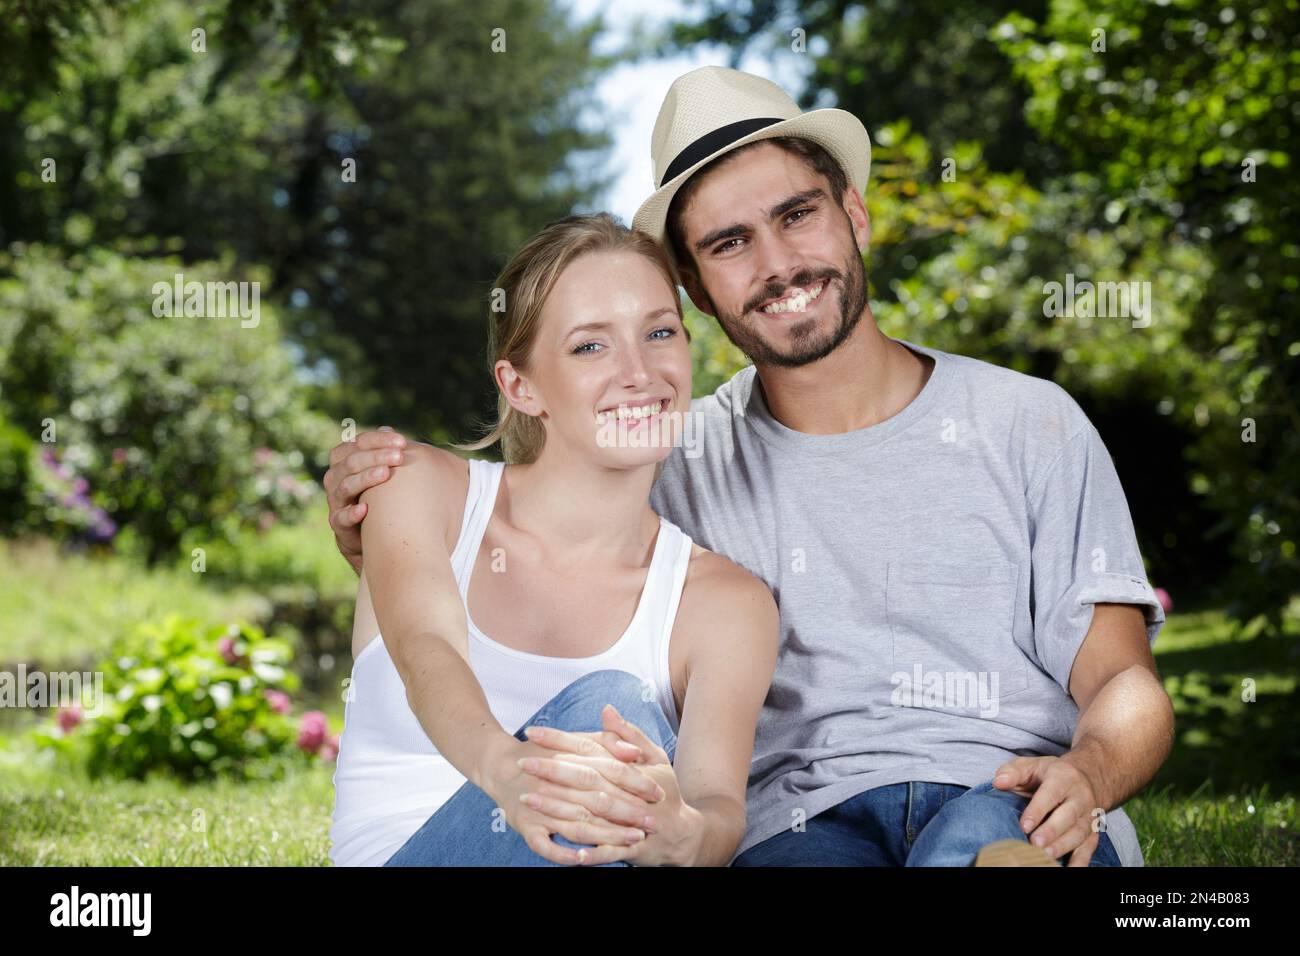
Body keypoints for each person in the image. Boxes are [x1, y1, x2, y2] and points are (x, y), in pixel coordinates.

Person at [325, 67, 1173, 867]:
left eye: (796, 215)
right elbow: (547, 486)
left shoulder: (1029, 424)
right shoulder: (670, 449)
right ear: (697, 287)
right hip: (803, 820)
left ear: (855, 213)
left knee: (984, 848)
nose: (776, 264)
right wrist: (377, 517)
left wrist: (1091, 773)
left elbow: (1125, 681)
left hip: (1006, 791)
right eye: (730, 243)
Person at [327, 212, 779, 866]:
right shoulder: (418, 489)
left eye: (659, 332)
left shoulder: (726, 604)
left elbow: (717, 813)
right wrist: (503, 767)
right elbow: (427, 648)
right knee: (612, 705)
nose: (638, 372)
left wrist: (680, 831)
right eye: (590, 346)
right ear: (521, 385)